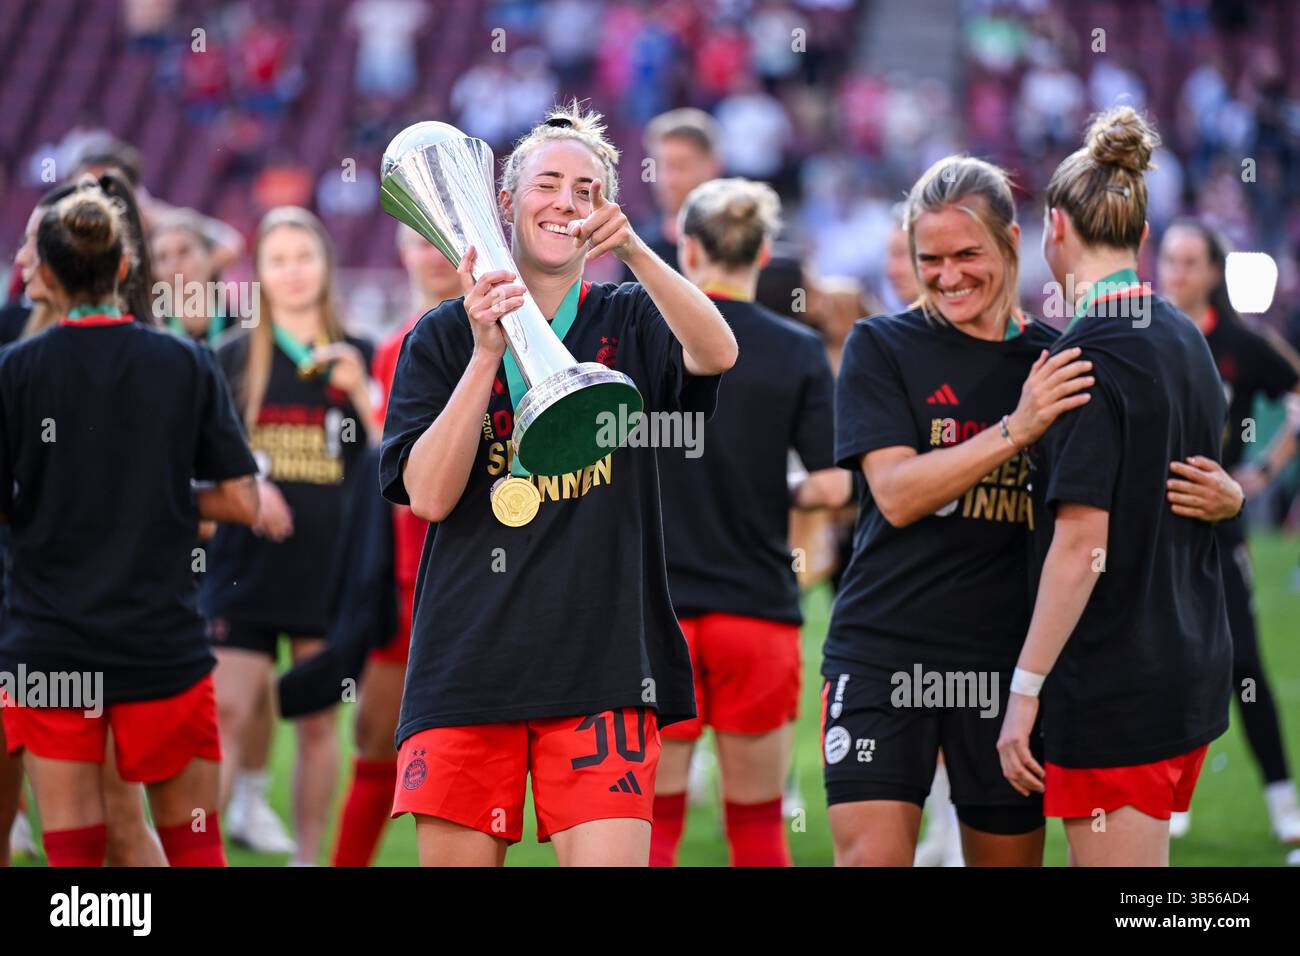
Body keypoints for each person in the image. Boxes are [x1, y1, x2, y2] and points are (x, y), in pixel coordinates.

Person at [380, 102, 736, 866]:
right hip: (467, 664)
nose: (566, 203)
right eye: (548, 184)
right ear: (504, 203)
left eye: (587, 190)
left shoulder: (631, 317)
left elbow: (717, 352)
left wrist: (637, 248)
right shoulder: (440, 336)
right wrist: (483, 356)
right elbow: (431, 497)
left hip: (601, 662)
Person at [998, 107, 1237, 866]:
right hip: (1186, 658)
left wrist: (1024, 690)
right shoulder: (1183, 335)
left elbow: (1081, 544)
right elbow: (1199, 483)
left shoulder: (1084, 353)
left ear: (1055, 229)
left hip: (1116, 678)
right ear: (1140, 239)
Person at [0, 182, 259, 867]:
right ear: (124, 268)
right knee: (194, 842)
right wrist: (161, 499)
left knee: (74, 853)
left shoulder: (14, 371)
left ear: (47, 276)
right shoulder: (185, 362)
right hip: (161, 646)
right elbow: (241, 500)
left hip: (48, 648)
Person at [651, 178, 849, 867]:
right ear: (764, 253)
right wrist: (782, 485)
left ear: (687, 248)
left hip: (660, 614)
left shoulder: (651, 335)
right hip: (757, 610)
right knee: (760, 824)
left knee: (655, 828)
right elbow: (834, 482)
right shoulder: (797, 349)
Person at [3, 175, 175, 868]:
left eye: (28, 247)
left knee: (115, 821)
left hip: (71, 619)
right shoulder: (13, 340)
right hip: (31, 608)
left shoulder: (141, 354)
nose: (19, 260)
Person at [201, 206, 376, 866]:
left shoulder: (357, 353)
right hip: (242, 567)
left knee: (317, 722)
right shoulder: (231, 356)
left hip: (329, 569)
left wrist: (361, 392)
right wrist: (249, 482)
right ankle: (203, 855)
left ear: (328, 266)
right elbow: (196, 462)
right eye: (278, 260)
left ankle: (309, 858)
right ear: (260, 274)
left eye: (306, 257)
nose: (294, 272)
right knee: (226, 715)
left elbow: (397, 461)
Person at [1156, 218, 1300, 843]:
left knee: (1242, 661)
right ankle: (1167, 798)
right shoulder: (1147, 334)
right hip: (1154, 531)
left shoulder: (1241, 342)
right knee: (1158, 663)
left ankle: (1284, 804)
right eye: (1169, 259)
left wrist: (1263, 469)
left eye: (1190, 262)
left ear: (1214, 272)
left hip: (1219, 530)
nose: (1177, 272)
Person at [330, 224, 461, 867]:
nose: (433, 255)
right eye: (419, 241)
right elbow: (398, 467)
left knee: (472, 758)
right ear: (402, 253)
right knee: (376, 737)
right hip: (407, 580)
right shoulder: (392, 348)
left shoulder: (504, 334)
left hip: (480, 577)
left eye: (444, 239)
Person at [621, 108, 722, 280]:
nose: (669, 180)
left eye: (681, 166)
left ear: (712, 167)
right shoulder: (637, 247)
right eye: (662, 166)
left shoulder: (735, 249)